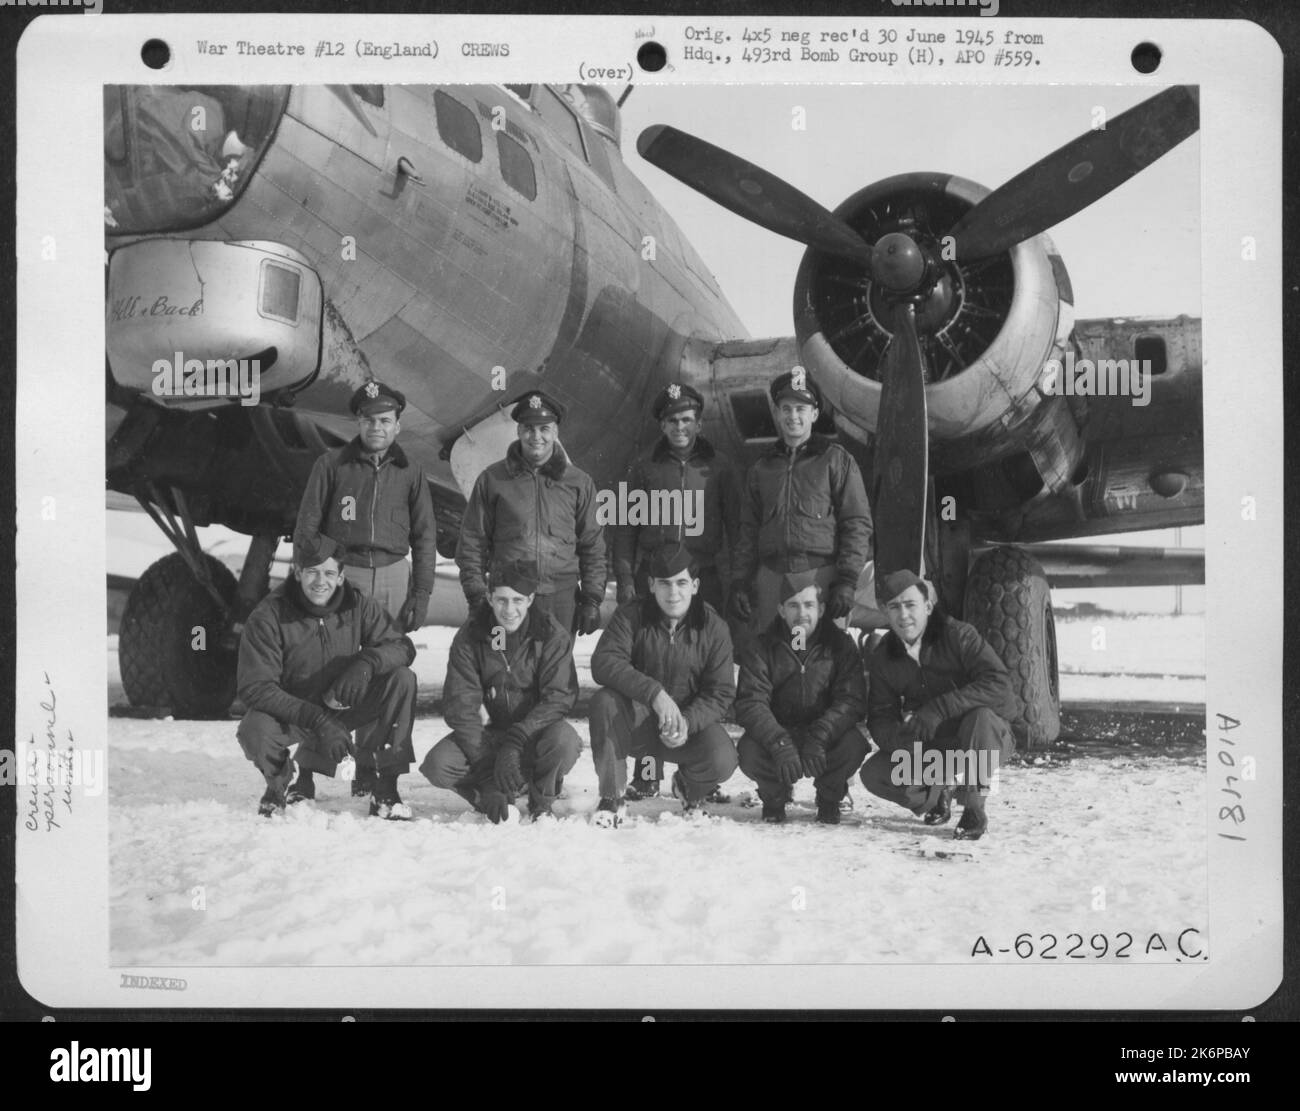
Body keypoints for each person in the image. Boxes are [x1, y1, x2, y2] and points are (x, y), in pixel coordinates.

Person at [294, 379, 437, 800]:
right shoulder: (331, 465)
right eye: (370, 419)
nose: (378, 427)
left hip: (394, 573)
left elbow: (426, 536)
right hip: (345, 575)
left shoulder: (411, 472)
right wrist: (319, 579)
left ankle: (373, 771)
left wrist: (422, 593)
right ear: (359, 421)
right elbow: (306, 528)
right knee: (332, 668)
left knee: (386, 670)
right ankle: (307, 766)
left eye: (386, 420)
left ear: (397, 426)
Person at [612, 381, 741, 801]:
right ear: (661, 425)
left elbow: (737, 531)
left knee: (698, 673)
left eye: (687, 420)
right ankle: (646, 771)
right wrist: (629, 580)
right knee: (651, 667)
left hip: (701, 581)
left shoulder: (720, 467)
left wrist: (735, 582)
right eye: (672, 421)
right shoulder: (643, 468)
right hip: (657, 580)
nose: (680, 428)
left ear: (699, 423)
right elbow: (625, 530)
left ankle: (697, 769)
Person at [235, 536, 418, 820]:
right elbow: (256, 687)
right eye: (312, 572)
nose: (321, 581)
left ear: (341, 577)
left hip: (343, 702)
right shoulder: (268, 615)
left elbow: (403, 647)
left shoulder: (356, 602)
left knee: (402, 679)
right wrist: (317, 720)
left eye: (329, 573)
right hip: (295, 713)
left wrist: (367, 663)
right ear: (297, 573)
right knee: (253, 730)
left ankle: (385, 787)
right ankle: (279, 782)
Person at [859, 570, 1018, 840]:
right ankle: (936, 796)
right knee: (875, 773)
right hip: (934, 751)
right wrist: (900, 739)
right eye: (894, 607)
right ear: (886, 613)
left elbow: (1001, 688)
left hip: (980, 740)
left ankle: (974, 808)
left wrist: (939, 709)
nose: (903, 615)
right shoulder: (884, 656)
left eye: (910, 605)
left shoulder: (959, 635)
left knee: (981, 718)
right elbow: (879, 717)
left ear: (928, 606)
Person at [419, 561, 581, 823]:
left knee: (565, 741)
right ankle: (490, 796)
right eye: (502, 600)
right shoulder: (471, 637)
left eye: (517, 600)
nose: (509, 610)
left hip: (536, 733)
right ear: (489, 598)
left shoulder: (551, 634)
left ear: (530, 599)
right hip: (491, 737)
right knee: (438, 764)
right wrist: (486, 777)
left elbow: (559, 697)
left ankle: (541, 802)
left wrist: (517, 741)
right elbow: (461, 706)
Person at [588, 545, 737, 827]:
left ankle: (689, 788)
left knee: (722, 757)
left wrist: (688, 722)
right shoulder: (631, 614)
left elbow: (721, 692)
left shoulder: (713, 626)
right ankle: (612, 796)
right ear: (651, 585)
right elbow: (604, 661)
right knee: (604, 702)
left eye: (681, 583)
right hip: (638, 722)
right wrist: (654, 693)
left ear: (695, 586)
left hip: (684, 728)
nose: (673, 593)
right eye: (665, 584)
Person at [729, 368, 873, 643]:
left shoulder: (837, 461)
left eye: (800, 409)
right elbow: (748, 531)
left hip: (820, 576)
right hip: (772, 578)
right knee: (775, 661)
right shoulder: (761, 468)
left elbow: (856, 523)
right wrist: (740, 582)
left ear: (814, 414)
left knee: (824, 661)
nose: (793, 416)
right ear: (777, 413)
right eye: (786, 409)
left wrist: (847, 580)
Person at [456, 390, 606, 638]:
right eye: (528, 428)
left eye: (544, 429)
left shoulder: (579, 482)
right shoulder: (492, 479)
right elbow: (472, 542)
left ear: (555, 432)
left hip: (561, 597)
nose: (536, 436)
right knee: (506, 672)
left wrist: (591, 599)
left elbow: (592, 544)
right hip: (509, 599)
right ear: (518, 431)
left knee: (557, 674)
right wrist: (476, 595)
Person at [735, 570, 870, 824]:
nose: (802, 613)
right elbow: (751, 702)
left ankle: (830, 796)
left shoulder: (840, 645)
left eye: (809, 605)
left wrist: (821, 735)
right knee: (748, 750)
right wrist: (779, 743)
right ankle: (775, 796)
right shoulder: (761, 646)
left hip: (824, 735)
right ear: (781, 610)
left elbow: (851, 700)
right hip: (779, 732)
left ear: (820, 608)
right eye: (793, 605)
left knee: (853, 744)